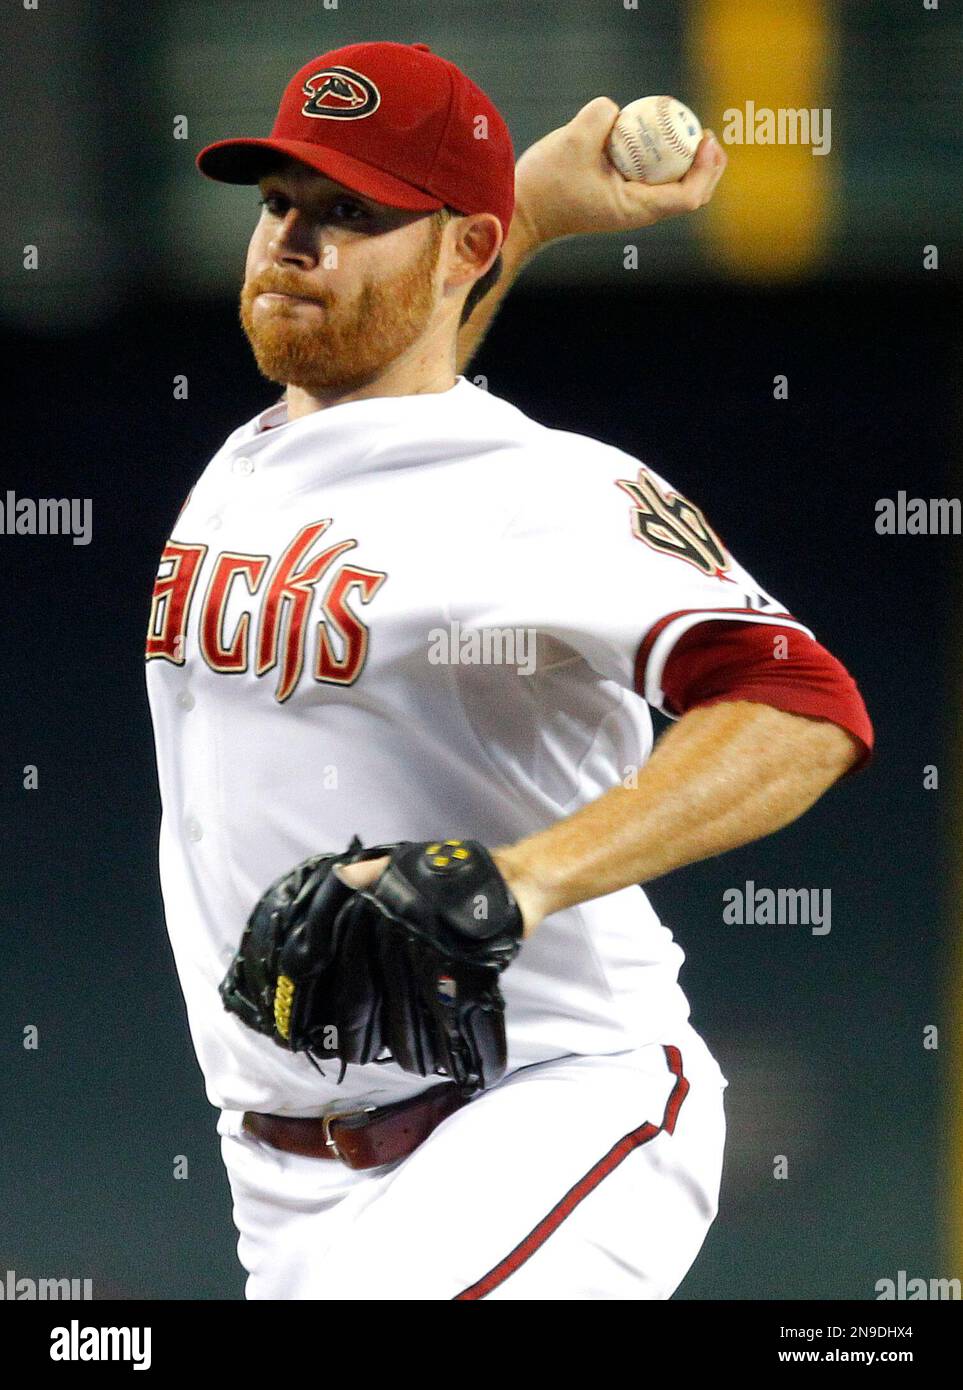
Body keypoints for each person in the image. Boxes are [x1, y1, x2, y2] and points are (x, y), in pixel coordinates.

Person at [145, 40, 872, 1299]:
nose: (292, 244)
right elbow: (403, 366)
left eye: (352, 213)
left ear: (456, 250)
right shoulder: (263, 447)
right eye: (279, 205)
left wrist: (524, 883)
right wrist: (522, 211)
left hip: (547, 1109)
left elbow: (805, 705)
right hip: (282, 1179)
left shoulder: (548, 489)